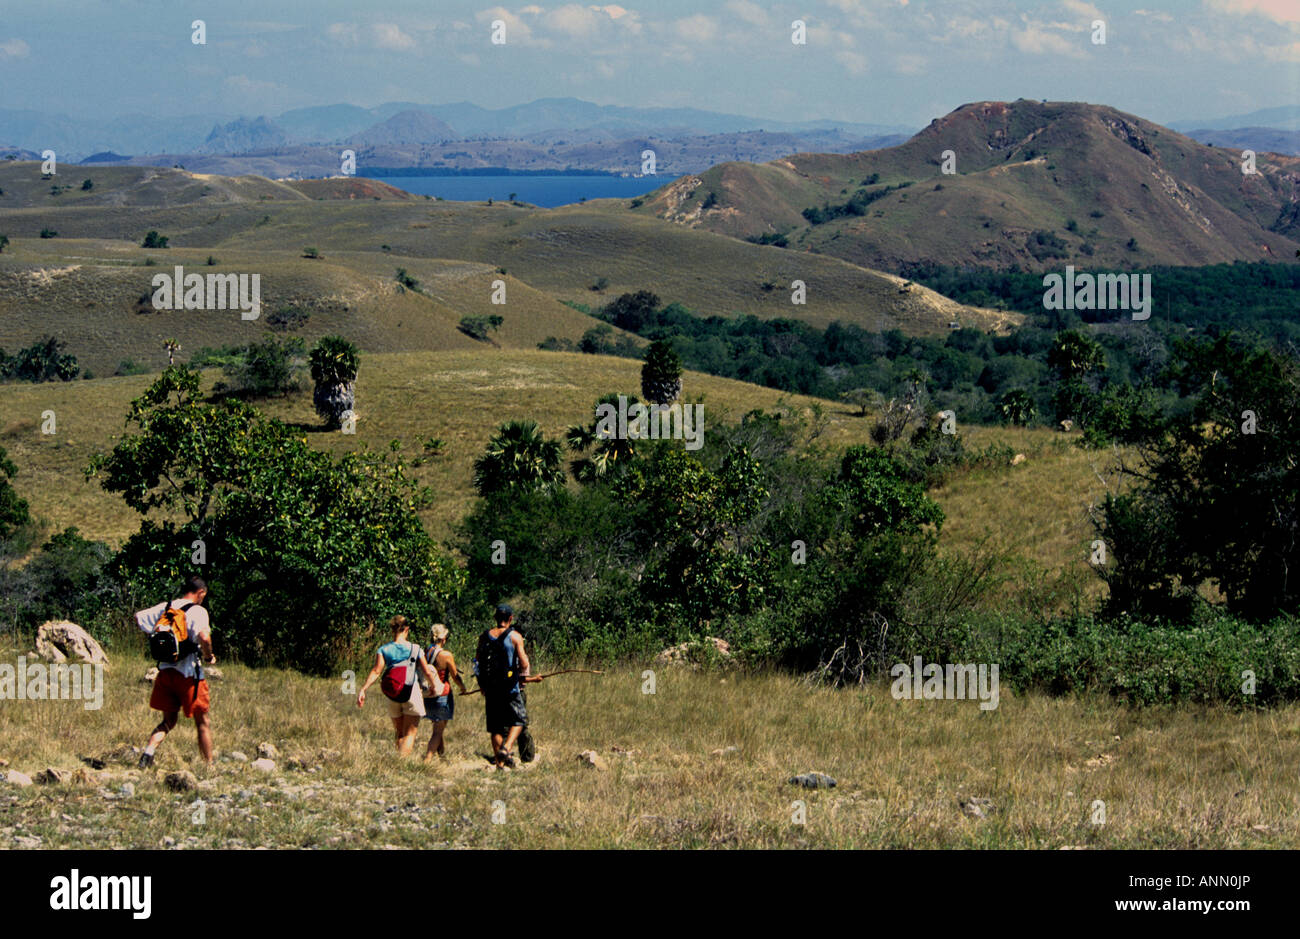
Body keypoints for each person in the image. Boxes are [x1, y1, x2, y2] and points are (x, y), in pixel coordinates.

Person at [136, 575, 217, 769]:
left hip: (165, 671)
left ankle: (148, 753)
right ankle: (210, 766)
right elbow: (205, 637)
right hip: (189, 675)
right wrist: (208, 657)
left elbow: (138, 617)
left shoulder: (166, 607)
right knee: (202, 722)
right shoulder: (198, 611)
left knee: (169, 721)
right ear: (201, 593)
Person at [356, 615, 444, 756]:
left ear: (392, 629)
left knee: (399, 732)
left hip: (393, 695)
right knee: (410, 733)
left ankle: (397, 759)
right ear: (407, 629)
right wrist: (433, 686)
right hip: (411, 693)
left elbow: (376, 671)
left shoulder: (383, 649)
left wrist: (363, 689)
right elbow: (426, 670)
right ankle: (401, 763)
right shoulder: (415, 649)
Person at [475, 604, 542, 768]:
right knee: (519, 720)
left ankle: (500, 764)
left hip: (491, 688)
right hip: (510, 688)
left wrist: (482, 684)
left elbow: (477, 663)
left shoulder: (484, 636)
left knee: (496, 727)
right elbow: (524, 662)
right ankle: (507, 748)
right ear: (511, 618)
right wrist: (524, 678)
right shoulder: (515, 637)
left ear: (495, 618)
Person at [420, 623, 467, 763]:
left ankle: (442, 757)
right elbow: (455, 676)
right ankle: (427, 760)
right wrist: (463, 687)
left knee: (437, 727)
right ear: (444, 638)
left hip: (427, 693)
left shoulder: (425, 651)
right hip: (442, 694)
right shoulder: (446, 655)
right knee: (438, 731)